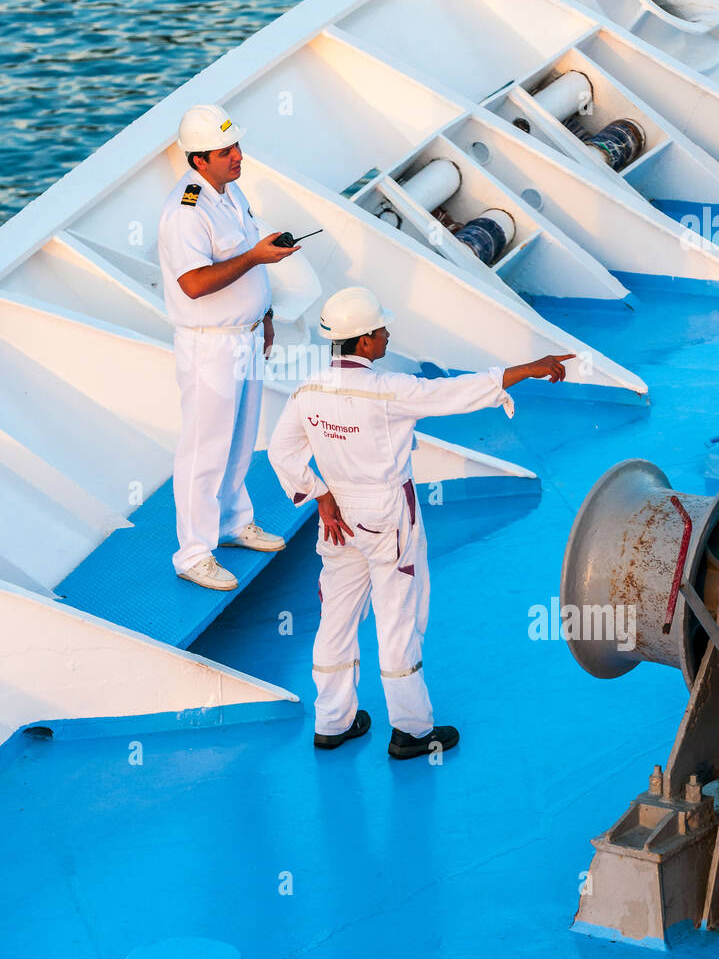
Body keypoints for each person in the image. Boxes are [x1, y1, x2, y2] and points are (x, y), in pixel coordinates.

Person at [267, 285, 572, 759]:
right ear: (365, 341)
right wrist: (528, 370)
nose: (388, 334)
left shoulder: (307, 392)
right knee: (397, 620)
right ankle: (410, 730)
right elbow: (455, 392)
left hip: (338, 519)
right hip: (387, 514)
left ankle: (332, 721)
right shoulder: (390, 390)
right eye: (382, 328)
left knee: (336, 618)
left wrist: (319, 493)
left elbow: (281, 451)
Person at [158, 103, 299, 591]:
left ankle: (233, 522)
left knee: (240, 439)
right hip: (209, 347)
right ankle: (193, 553)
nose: (238, 155)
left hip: (244, 336)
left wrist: (267, 316)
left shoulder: (230, 192)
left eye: (237, 145)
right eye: (226, 151)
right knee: (204, 449)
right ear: (199, 160)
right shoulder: (186, 212)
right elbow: (194, 284)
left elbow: (248, 263)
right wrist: (257, 255)